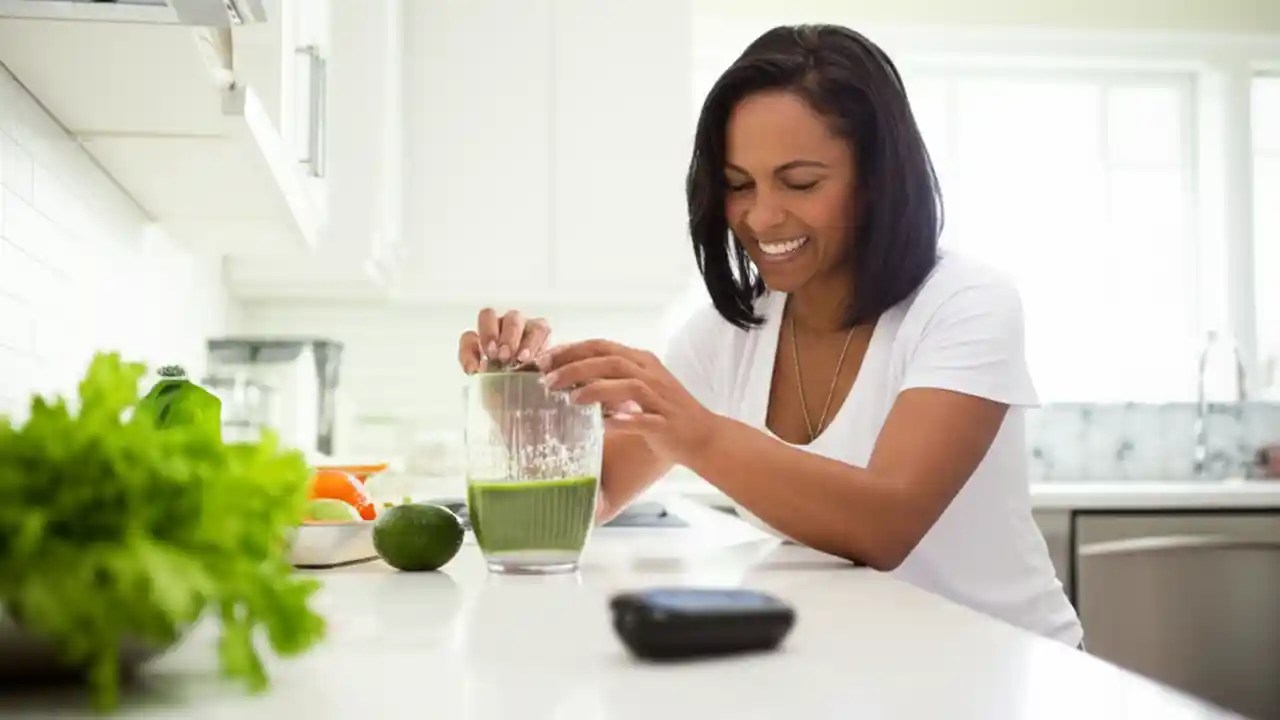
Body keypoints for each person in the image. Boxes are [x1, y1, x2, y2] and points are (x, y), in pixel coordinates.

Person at [457, 24, 1083, 647]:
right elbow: (596, 494)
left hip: (1007, 670)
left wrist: (695, 431)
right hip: (865, 674)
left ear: (876, 180)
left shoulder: (965, 305)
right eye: (738, 185)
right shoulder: (727, 334)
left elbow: (886, 526)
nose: (760, 216)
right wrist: (511, 392)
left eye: (801, 182)